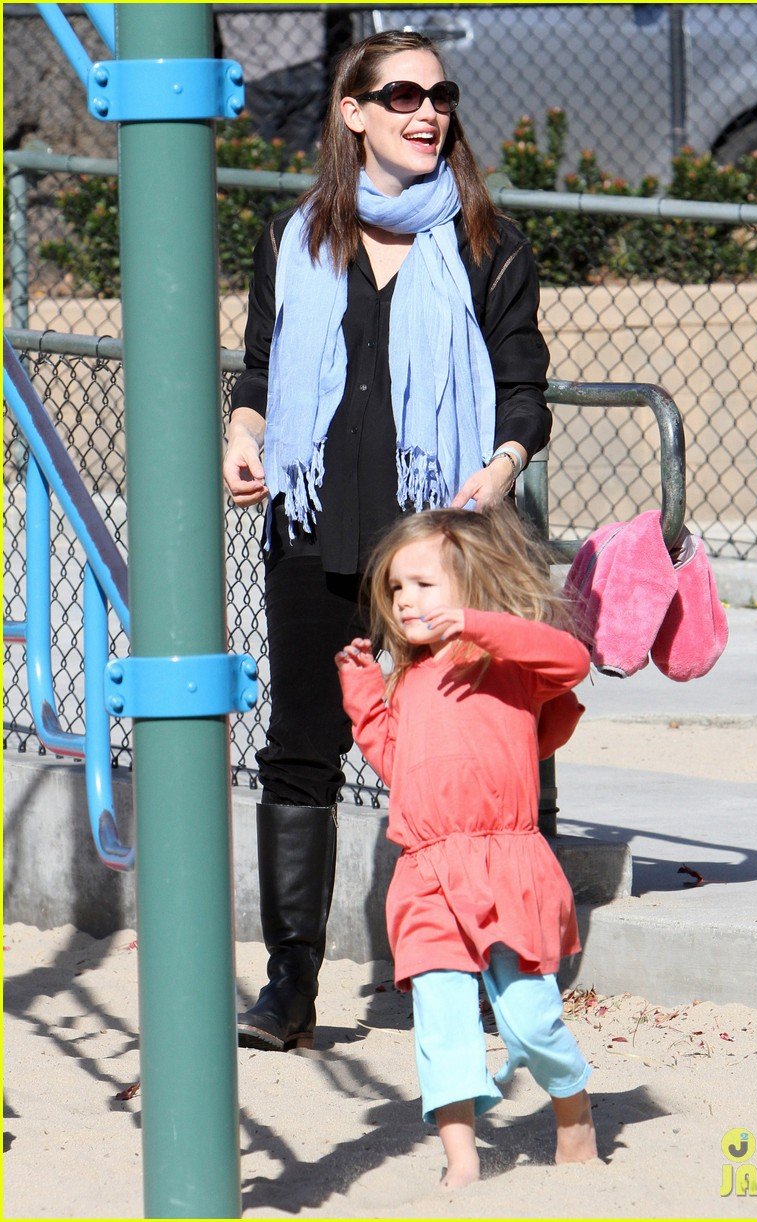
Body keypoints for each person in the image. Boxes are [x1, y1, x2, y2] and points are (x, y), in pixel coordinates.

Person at [224, 30, 552, 1052]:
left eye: (440, 93)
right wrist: (243, 434)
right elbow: (262, 372)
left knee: (479, 762)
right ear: (352, 112)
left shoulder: (490, 248)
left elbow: (523, 396)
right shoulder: (296, 238)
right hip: (314, 535)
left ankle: (497, 966)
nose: (427, 111)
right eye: (401, 93)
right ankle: (290, 985)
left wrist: (493, 475)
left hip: (440, 551)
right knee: (299, 752)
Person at [336, 507, 598, 1186]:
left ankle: (573, 1113)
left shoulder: (507, 663)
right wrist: (366, 698)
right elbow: (400, 766)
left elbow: (572, 661)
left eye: (423, 583)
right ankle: (461, 1161)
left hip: (506, 865)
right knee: (443, 1024)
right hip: (424, 873)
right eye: (396, 589)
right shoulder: (409, 680)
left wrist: (481, 626)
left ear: (473, 584)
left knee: (530, 1023)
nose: (405, 600)